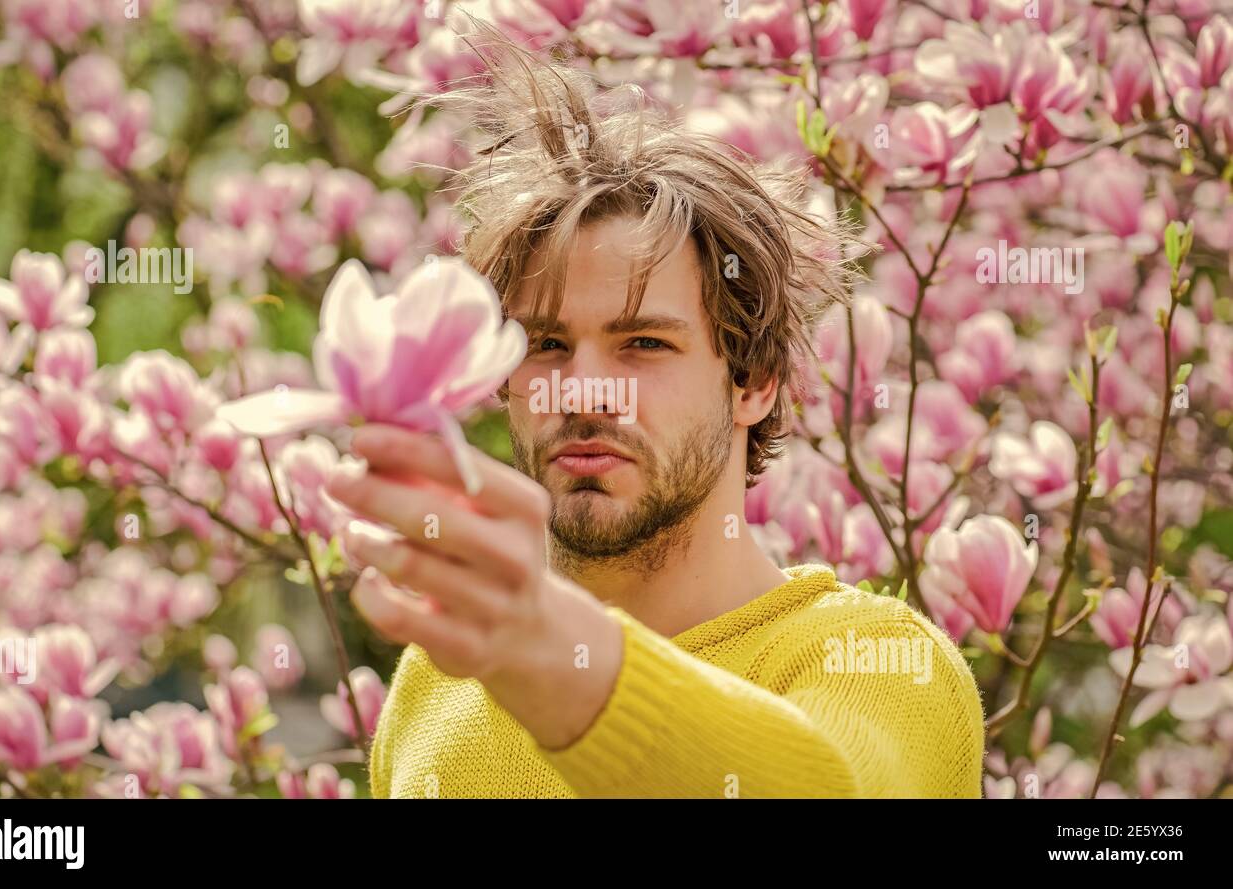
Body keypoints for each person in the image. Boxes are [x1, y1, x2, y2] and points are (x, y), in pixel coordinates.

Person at [326, 33, 985, 798]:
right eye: (545, 342)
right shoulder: (438, 675)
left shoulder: (878, 662)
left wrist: (548, 650)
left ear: (755, 381)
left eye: (643, 343)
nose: (582, 390)